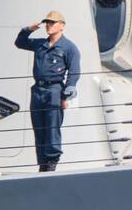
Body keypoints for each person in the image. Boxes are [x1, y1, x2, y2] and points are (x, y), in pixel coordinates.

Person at [14, 10, 81, 172]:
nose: (48, 26)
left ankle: (52, 161)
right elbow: (20, 43)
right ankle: (42, 163)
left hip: (55, 90)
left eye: (52, 23)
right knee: (38, 127)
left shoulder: (69, 48)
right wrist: (28, 30)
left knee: (52, 126)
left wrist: (66, 95)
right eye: (47, 23)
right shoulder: (40, 45)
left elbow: (74, 72)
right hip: (38, 90)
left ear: (62, 26)